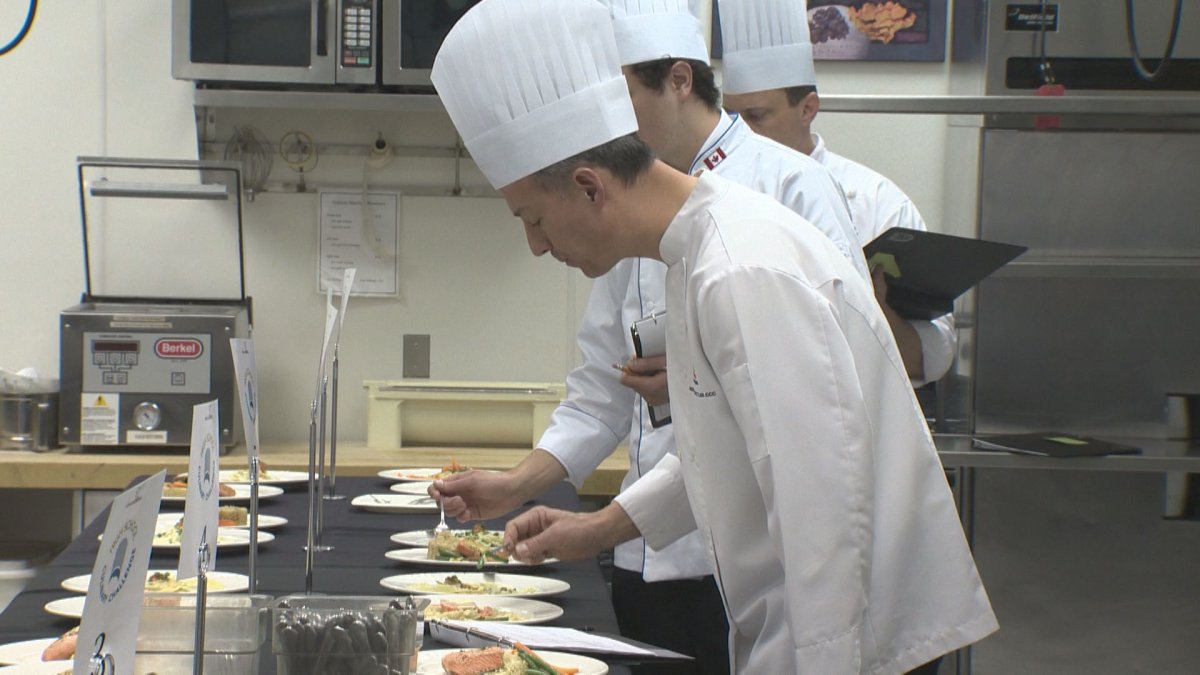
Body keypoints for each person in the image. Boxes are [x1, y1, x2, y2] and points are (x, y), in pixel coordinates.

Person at [430, 0, 998, 673]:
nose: (534, 245)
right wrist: (599, 527)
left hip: (858, 646)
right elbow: (713, 446)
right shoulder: (695, 250)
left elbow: (825, 522)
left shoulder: (740, 269)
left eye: (533, 218)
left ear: (589, 187)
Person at [718, 0, 956, 386]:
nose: (741, 135)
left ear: (808, 108)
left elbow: (932, 356)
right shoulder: (712, 197)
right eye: (732, 118)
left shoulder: (879, 202)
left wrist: (874, 311)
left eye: (757, 116)